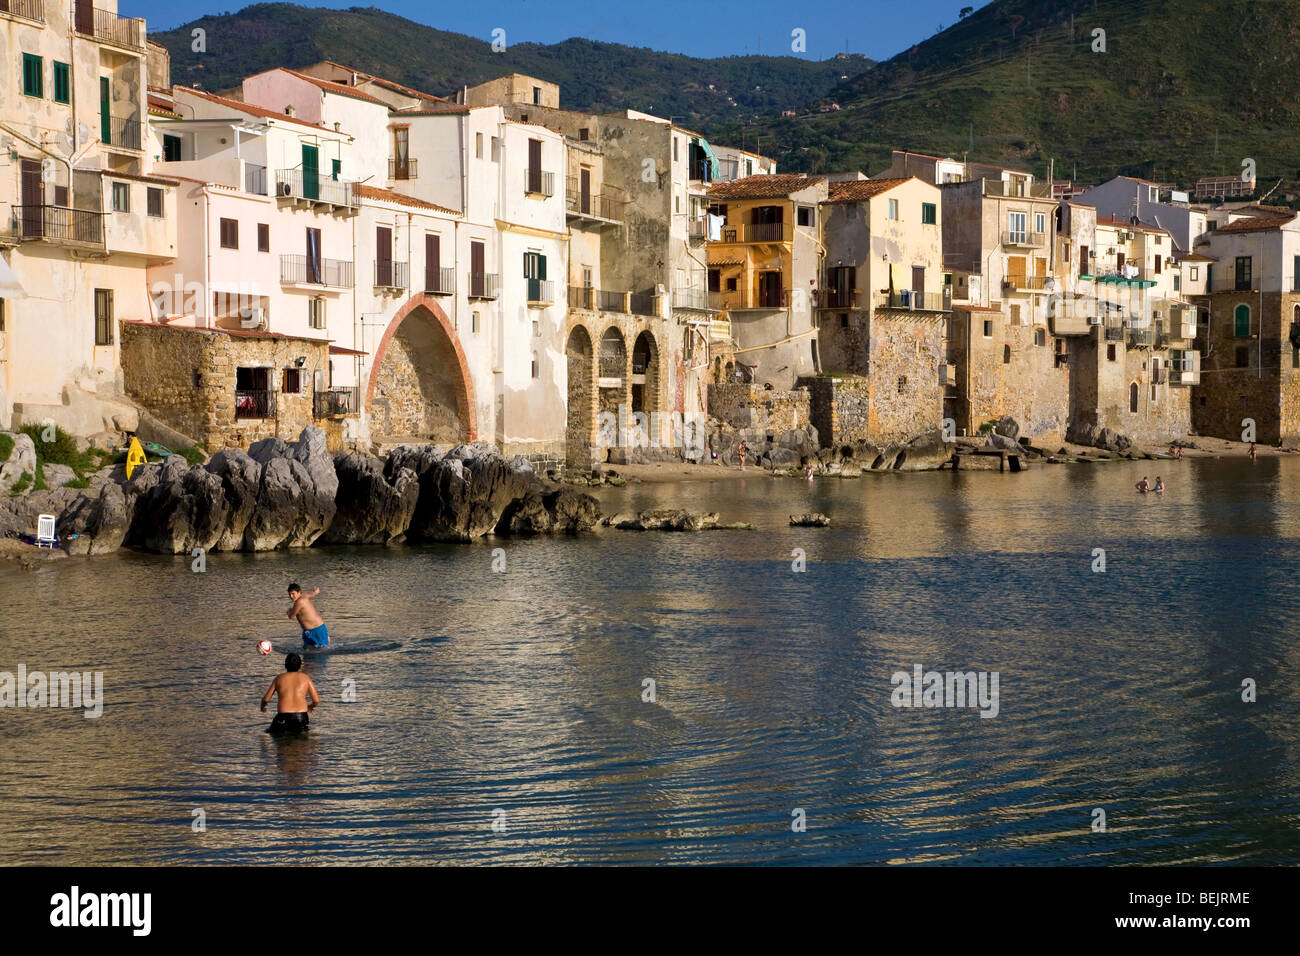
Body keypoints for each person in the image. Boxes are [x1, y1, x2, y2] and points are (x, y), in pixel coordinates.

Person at [261, 652, 320, 735]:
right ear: (300, 666)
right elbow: (316, 700)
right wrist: (311, 706)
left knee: (268, 734)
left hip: (283, 717)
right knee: (302, 743)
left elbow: (266, 699)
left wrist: (262, 707)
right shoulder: (306, 678)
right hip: (301, 717)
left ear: (285, 665)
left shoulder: (279, 678)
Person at [287, 582, 329, 648]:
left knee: (322, 652)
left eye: (293, 594)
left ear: (299, 592)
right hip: (308, 631)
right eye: (289, 594)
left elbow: (291, 616)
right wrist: (315, 592)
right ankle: (326, 638)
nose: (291, 596)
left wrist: (289, 611)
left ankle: (326, 638)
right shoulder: (304, 596)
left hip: (317, 629)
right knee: (307, 651)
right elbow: (312, 594)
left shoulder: (299, 602)